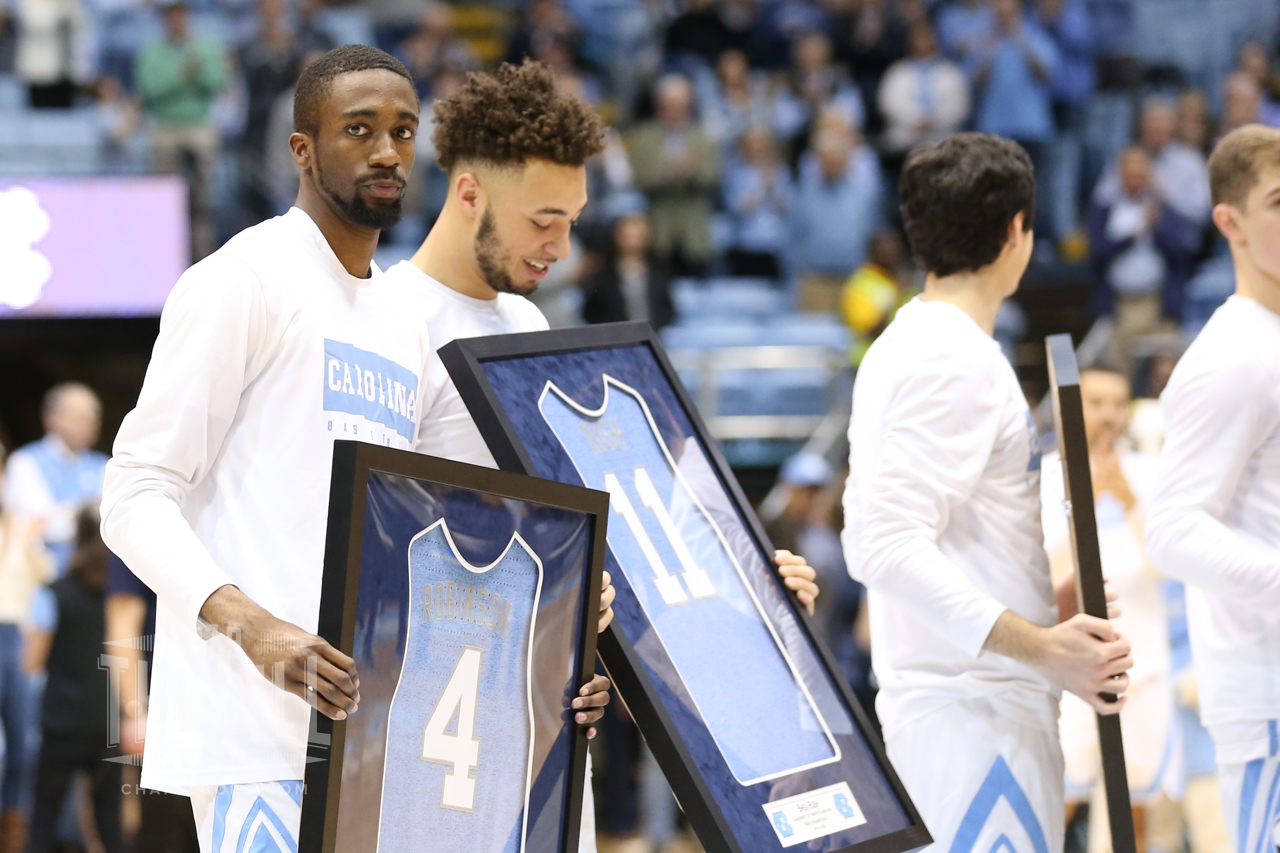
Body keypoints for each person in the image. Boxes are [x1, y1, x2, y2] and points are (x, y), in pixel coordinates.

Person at [100, 46, 613, 852]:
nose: (385, 151)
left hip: (366, 738)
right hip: (251, 737)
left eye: (403, 132)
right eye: (359, 129)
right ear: (302, 148)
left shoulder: (400, 324)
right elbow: (132, 492)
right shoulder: (246, 277)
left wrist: (566, 613)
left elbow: (436, 537)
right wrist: (252, 624)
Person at [381, 60, 821, 849]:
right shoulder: (389, 323)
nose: (562, 244)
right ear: (469, 191)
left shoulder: (528, 326)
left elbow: (601, 550)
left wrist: (746, 599)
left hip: (545, 717)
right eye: (544, 218)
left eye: (575, 220)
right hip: (439, 741)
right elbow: (377, 560)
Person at [842, 133, 1132, 853]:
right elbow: (879, 541)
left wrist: (1040, 607)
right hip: (975, 722)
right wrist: (1037, 643)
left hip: (964, 716)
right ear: (1016, 232)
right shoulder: (954, 356)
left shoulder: (911, 341)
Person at [1145, 124, 1280, 853]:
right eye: (1279, 201)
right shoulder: (1234, 355)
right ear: (1229, 221)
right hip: (1270, 701)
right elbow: (1170, 528)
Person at [1042, 367, 1179, 853]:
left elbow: (1169, 567)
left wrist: (1126, 499)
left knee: (1136, 807)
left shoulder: (1151, 472)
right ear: (1067, 409)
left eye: (1117, 404)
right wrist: (1087, 502)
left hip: (1145, 661)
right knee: (1058, 803)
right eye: (1095, 402)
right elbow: (1040, 576)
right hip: (1069, 663)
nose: (1108, 415)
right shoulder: (1043, 477)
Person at [24, 507, 123, 853]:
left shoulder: (53, 593)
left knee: (44, 818)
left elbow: (31, 662)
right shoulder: (121, 597)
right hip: (108, 725)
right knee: (111, 824)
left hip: (61, 724)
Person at [1087, 146, 1201, 378]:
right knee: (1118, 370)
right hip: (1121, 304)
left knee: (1166, 371)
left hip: (1158, 302)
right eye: (1131, 174)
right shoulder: (1105, 208)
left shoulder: (1163, 207)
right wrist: (1131, 235)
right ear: (1120, 175)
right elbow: (1096, 252)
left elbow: (1187, 247)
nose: (1136, 180)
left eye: (1141, 175)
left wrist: (1158, 224)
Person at [134, 1, 227, 259]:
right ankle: (162, 255)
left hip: (198, 124)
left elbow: (217, 81)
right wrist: (184, 75)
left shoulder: (205, 48)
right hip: (165, 126)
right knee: (162, 198)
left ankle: (205, 256)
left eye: (181, 16)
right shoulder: (153, 52)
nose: (177, 21)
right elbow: (150, 90)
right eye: (172, 16)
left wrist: (188, 77)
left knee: (203, 200)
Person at [0, 444, 51, 853]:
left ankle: (13, 838)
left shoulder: (22, 527)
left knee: (23, 745)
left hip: (15, 637)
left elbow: (47, 577)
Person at [2, 382, 106, 574]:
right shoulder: (25, 462)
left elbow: (111, 523)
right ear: (51, 419)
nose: (89, 424)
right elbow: (41, 526)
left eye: (94, 417)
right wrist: (86, 515)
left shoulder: (105, 465)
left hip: (96, 576)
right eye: (79, 417)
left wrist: (65, 512)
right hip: (45, 576)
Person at [626, 73, 719, 276]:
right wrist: (668, 171)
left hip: (694, 232)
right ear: (659, 106)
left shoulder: (701, 136)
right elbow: (638, 178)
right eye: (670, 105)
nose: (675, 111)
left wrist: (692, 170)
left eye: (681, 105)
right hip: (658, 231)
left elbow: (714, 175)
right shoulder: (644, 137)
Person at [787, 121, 883, 310]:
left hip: (855, 280)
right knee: (815, 337)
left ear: (846, 160)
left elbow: (873, 235)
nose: (831, 164)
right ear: (817, 160)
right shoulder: (804, 197)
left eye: (836, 158)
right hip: (815, 281)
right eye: (826, 158)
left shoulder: (863, 196)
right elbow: (791, 240)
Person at [877, 21, 970, 157]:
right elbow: (889, 103)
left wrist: (933, 121)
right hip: (904, 143)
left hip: (943, 142)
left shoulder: (951, 73)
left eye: (927, 39)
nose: (923, 43)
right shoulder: (897, 72)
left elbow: (959, 107)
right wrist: (917, 120)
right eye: (918, 39)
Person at [580, 212, 675, 328]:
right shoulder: (602, 275)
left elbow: (667, 309)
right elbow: (592, 312)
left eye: (639, 235)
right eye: (629, 236)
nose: (633, 241)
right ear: (617, 236)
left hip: (655, 333)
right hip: (615, 336)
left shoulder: (659, 271)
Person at [722, 124, 792, 278]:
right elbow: (735, 208)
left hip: (776, 243)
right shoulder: (736, 173)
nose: (759, 149)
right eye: (754, 144)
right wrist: (760, 189)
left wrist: (772, 187)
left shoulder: (781, 171)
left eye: (762, 144)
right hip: (747, 244)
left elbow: (788, 206)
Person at [840, 227, 915, 366]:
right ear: (872, 251)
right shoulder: (861, 284)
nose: (893, 251)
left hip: (902, 362)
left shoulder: (906, 281)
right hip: (869, 363)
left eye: (895, 245)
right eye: (885, 246)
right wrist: (897, 297)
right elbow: (870, 331)